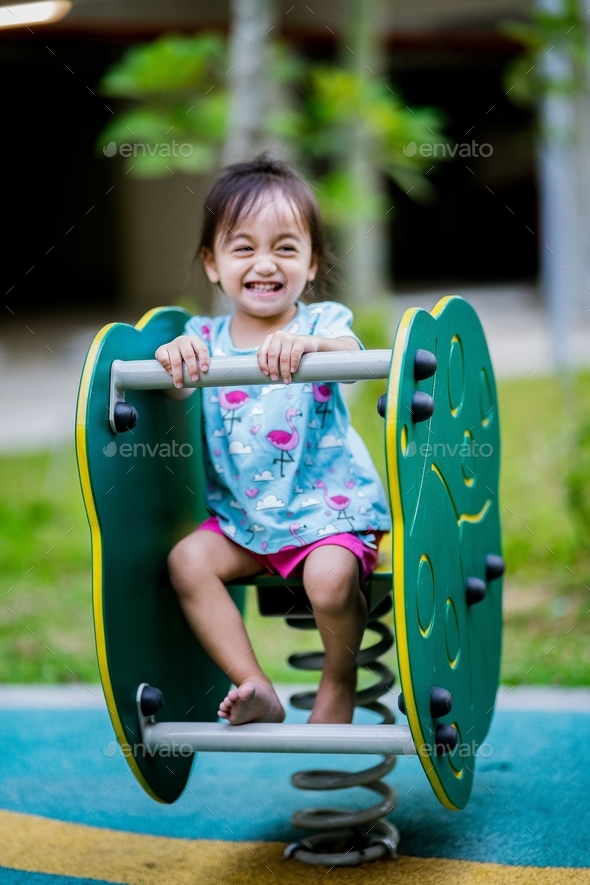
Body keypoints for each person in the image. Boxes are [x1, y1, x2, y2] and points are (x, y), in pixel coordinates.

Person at [155, 155, 391, 727]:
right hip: (244, 519)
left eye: (286, 248)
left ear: (312, 265)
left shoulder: (321, 325)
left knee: (330, 578)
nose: (266, 264)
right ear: (213, 265)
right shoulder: (202, 338)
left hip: (327, 513)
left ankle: (337, 677)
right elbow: (175, 389)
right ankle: (253, 682)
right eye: (243, 248)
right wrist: (173, 360)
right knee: (187, 561)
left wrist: (314, 349)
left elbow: (354, 358)